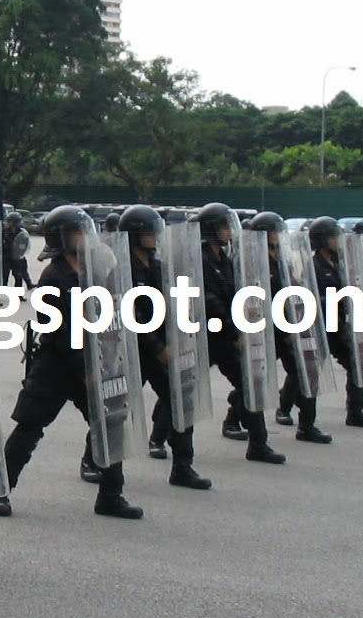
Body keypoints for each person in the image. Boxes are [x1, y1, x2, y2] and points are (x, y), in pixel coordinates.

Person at [0, 205, 144, 518]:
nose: (84, 237)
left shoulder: (94, 270)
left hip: (92, 362)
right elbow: (59, 331)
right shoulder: (53, 278)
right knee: (29, 428)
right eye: (77, 232)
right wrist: (86, 369)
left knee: (110, 424)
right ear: (61, 238)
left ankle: (110, 496)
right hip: (56, 367)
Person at [103, 204, 211, 488]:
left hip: (161, 349)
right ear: (135, 236)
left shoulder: (158, 267)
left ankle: (182, 467)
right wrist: (157, 346)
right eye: (149, 232)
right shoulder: (121, 270)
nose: (154, 237)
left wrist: (181, 334)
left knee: (181, 402)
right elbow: (130, 313)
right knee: (117, 409)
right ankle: (94, 459)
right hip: (132, 351)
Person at [199, 203, 286, 462]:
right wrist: (234, 329)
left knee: (249, 384)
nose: (229, 231)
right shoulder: (201, 260)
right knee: (183, 389)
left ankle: (258, 444)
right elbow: (210, 301)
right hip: (210, 335)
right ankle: (159, 437)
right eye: (224, 226)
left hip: (227, 335)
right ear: (211, 229)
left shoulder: (225, 260)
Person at [251, 212, 333, 445]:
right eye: (274, 232)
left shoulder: (281, 261)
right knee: (254, 379)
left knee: (305, 370)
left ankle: (306, 425)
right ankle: (233, 418)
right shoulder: (254, 263)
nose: (278, 236)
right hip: (268, 330)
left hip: (287, 326)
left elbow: (292, 288)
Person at [309, 217, 363, 429]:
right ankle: (287, 407)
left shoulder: (339, 264)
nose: (336, 241)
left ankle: (355, 412)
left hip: (339, 325)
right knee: (309, 371)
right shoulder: (313, 266)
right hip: (322, 326)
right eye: (332, 237)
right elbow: (313, 297)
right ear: (321, 240)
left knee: (355, 364)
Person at [2, 211, 32, 290]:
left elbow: (24, 246)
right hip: (6, 257)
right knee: (4, 275)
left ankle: (18, 293)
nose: (8, 223)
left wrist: (19, 253)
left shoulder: (22, 233)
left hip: (17, 258)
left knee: (18, 276)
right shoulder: (4, 231)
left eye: (10, 221)